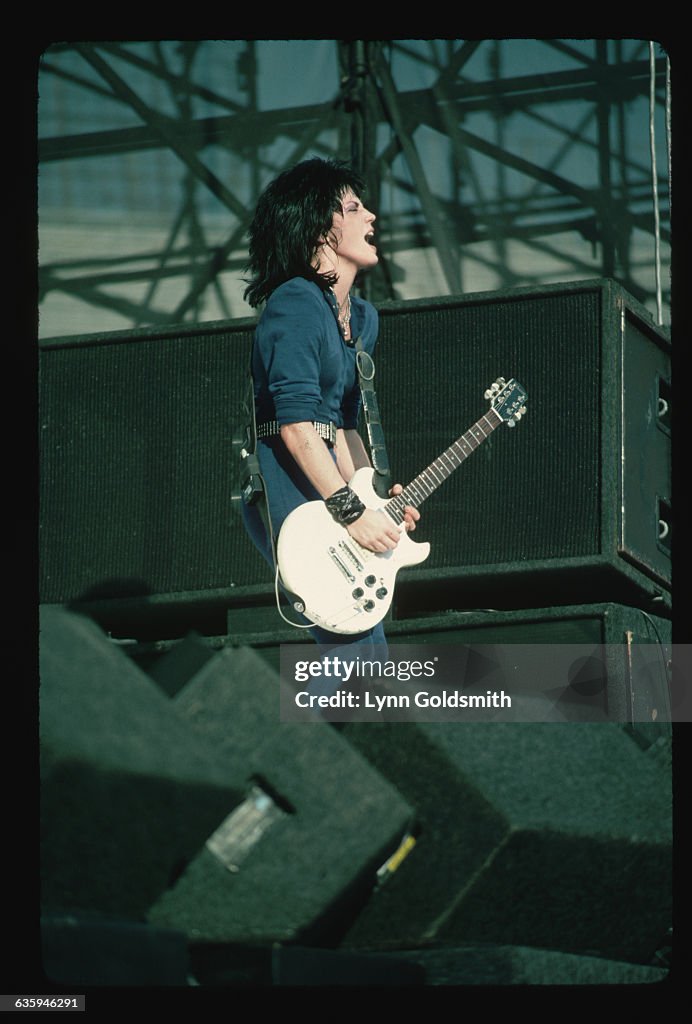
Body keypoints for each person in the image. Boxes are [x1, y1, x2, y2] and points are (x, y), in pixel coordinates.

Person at [241, 157, 419, 654]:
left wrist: (377, 499)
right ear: (320, 227)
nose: (371, 217)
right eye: (353, 207)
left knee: (361, 647)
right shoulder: (295, 302)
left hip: (332, 487)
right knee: (358, 644)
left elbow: (341, 427)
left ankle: (333, 731)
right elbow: (298, 428)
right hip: (286, 486)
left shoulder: (361, 318)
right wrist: (350, 509)